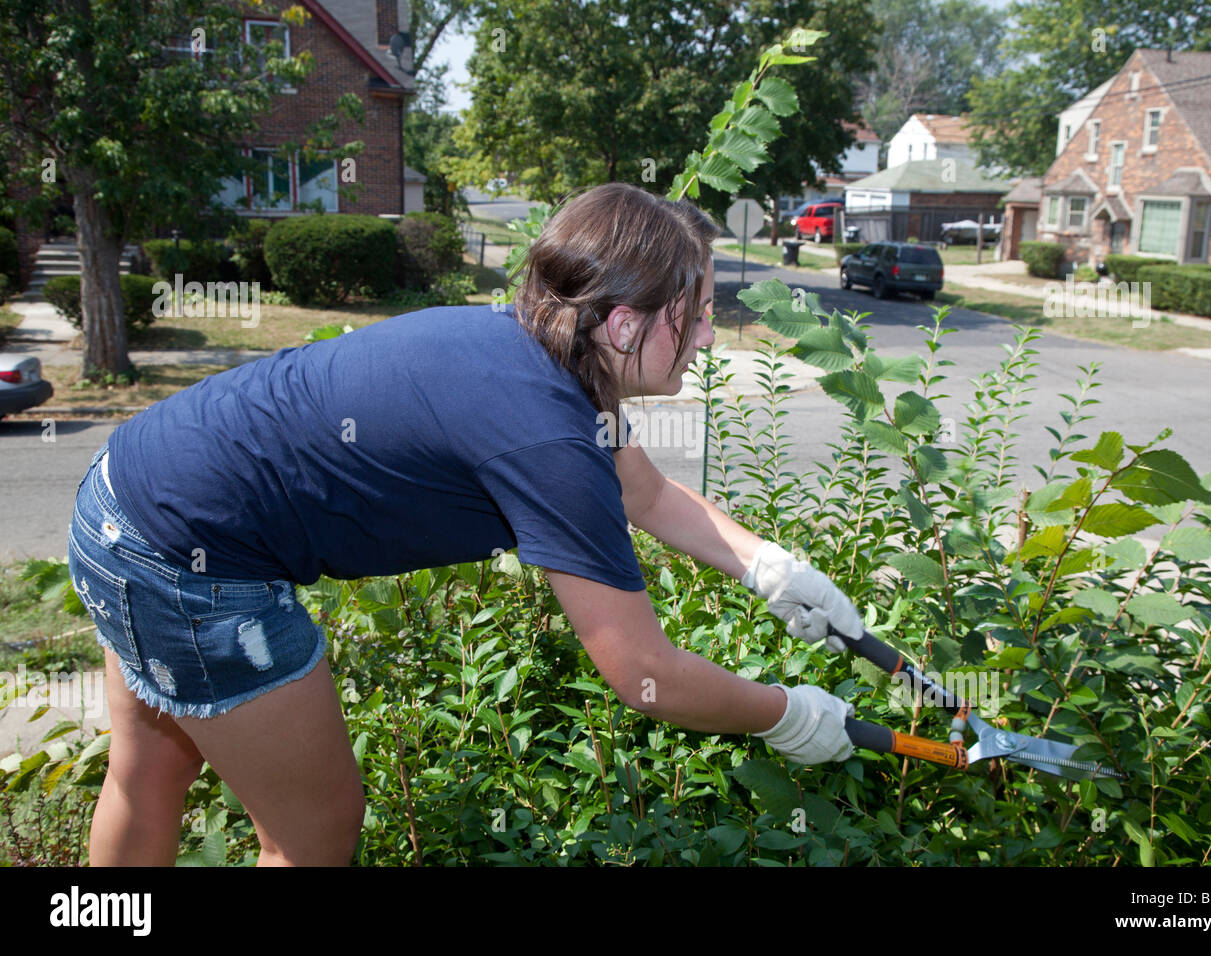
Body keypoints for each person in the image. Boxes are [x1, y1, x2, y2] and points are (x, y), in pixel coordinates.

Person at [66, 181, 866, 867]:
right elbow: (642, 674)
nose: (705, 339)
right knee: (314, 834)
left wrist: (771, 567)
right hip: (187, 566)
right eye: (693, 317)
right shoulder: (548, 436)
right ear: (623, 326)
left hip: (123, 491)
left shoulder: (535, 347)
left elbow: (649, 497)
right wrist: (788, 716)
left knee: (149, 770)